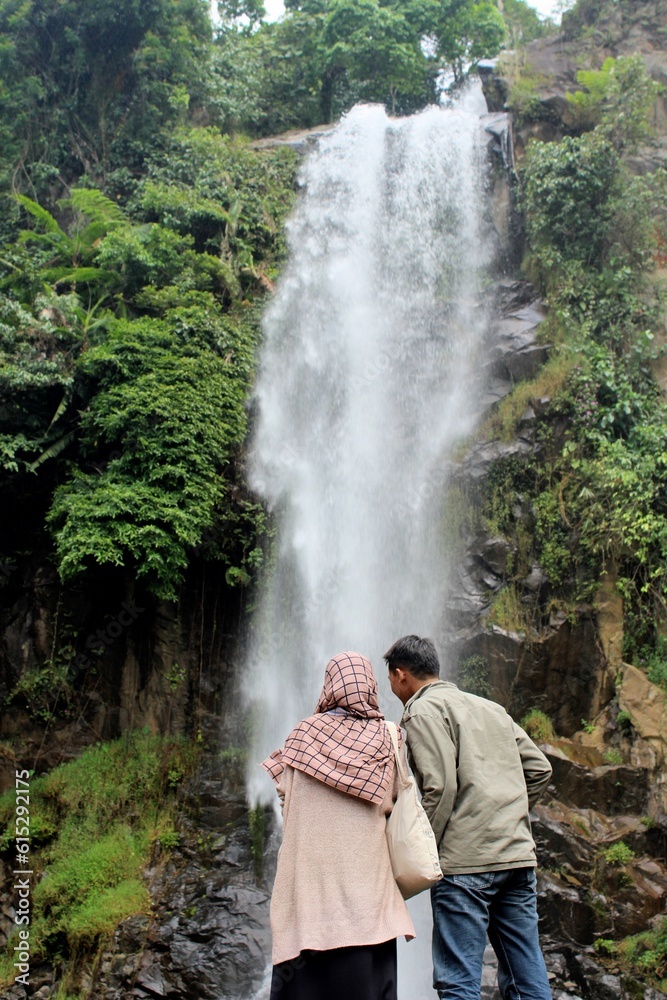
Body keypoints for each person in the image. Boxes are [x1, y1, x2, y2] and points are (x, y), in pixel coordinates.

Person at [384, 634, 553, 1000]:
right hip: (516, 857)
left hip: (465, 866)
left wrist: (422, 848)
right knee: (527, 975)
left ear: (400, 675)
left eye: (391, 680)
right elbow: (539, 769)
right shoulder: (491, 708)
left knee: (458, 980)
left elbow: (439, 788)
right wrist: (508, 816)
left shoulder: (421, 711)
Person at [261, 650, 415, 1000]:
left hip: (307, 901)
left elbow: (286, 798)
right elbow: (396, 801)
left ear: (329, 687)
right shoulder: (389, 737)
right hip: (366, 906)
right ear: (371, 687)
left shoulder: (301, 736)